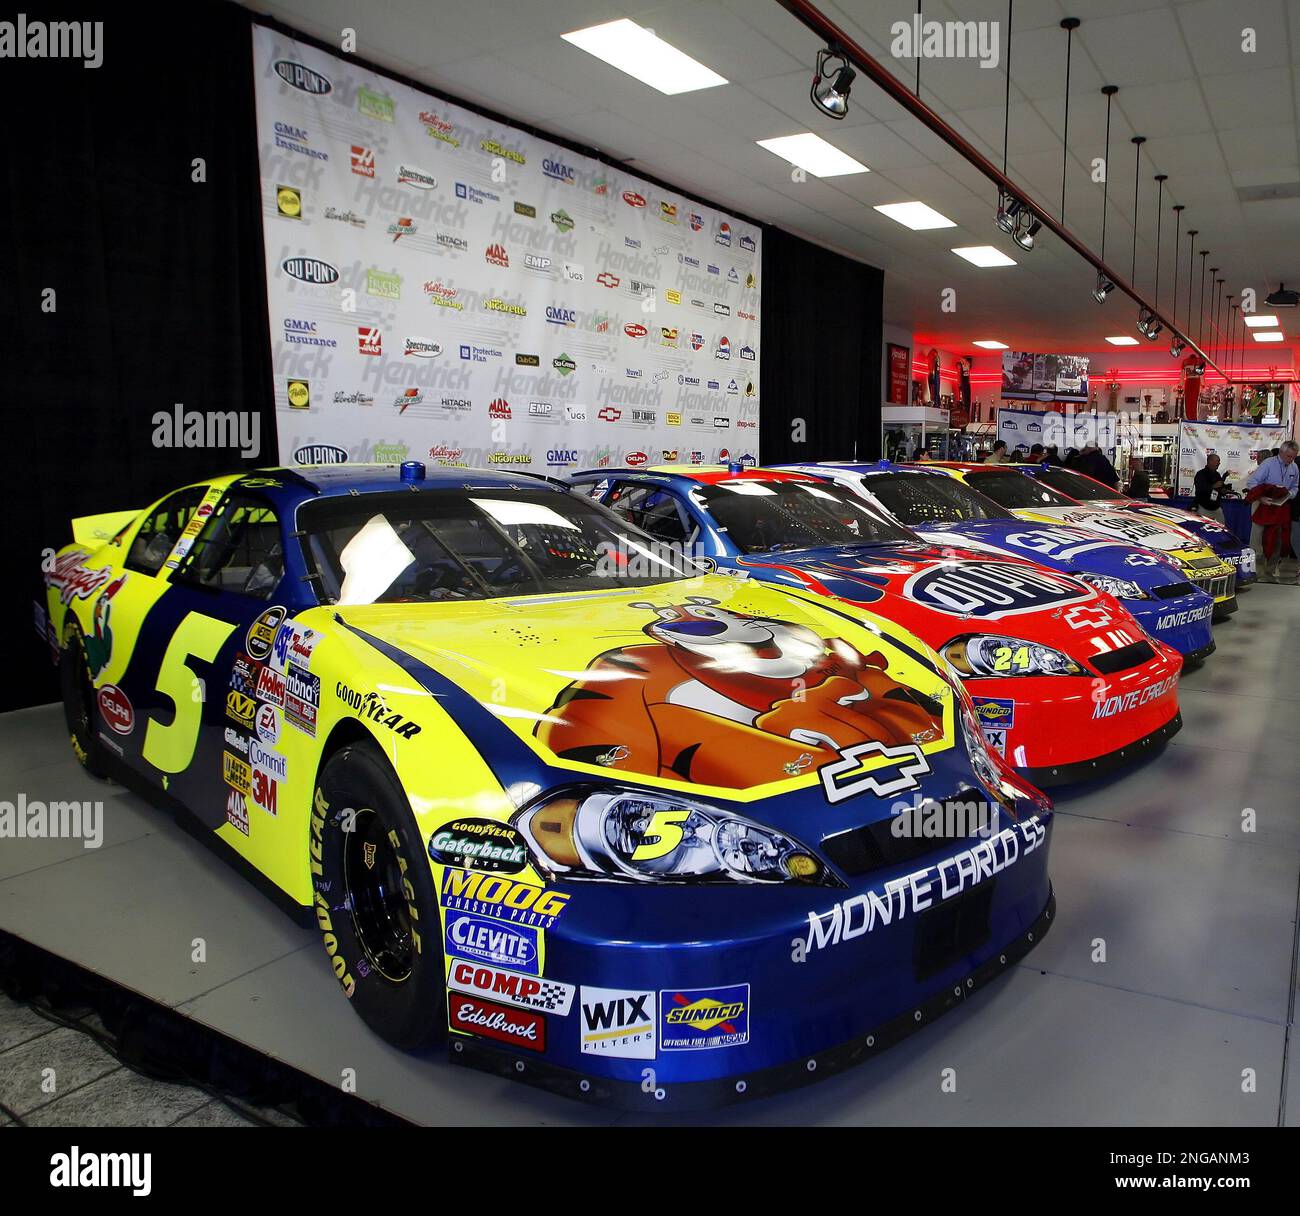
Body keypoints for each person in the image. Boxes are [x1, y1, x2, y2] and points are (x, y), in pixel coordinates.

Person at [1245, 440, 1299, 582]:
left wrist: (1289, 495)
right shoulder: (1268, 464)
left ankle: (1269, 573)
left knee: (1278, 540)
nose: (1291, 460)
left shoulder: (1294, 468)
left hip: (1280, 507)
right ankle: (1255, 573)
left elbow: (1295, 487)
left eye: (1293, 457)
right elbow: (1252, 483)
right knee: (1257, 540)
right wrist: (1261, 497)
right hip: (1262, 504)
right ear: (1281, 452)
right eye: (1288, 456)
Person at [1193, 454, 1226, 522]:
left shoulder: (1217, 474)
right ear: (1210, 461)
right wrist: (1212, 486)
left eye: (1219, 461)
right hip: (1203, 508)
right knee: (1202, 529)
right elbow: (1200, 489)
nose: (1219, 463)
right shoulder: (1200, 474)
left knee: (1222, 528)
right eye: (1217, 461)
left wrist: (1223, 490)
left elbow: (1219, 490)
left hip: (1216, 507)